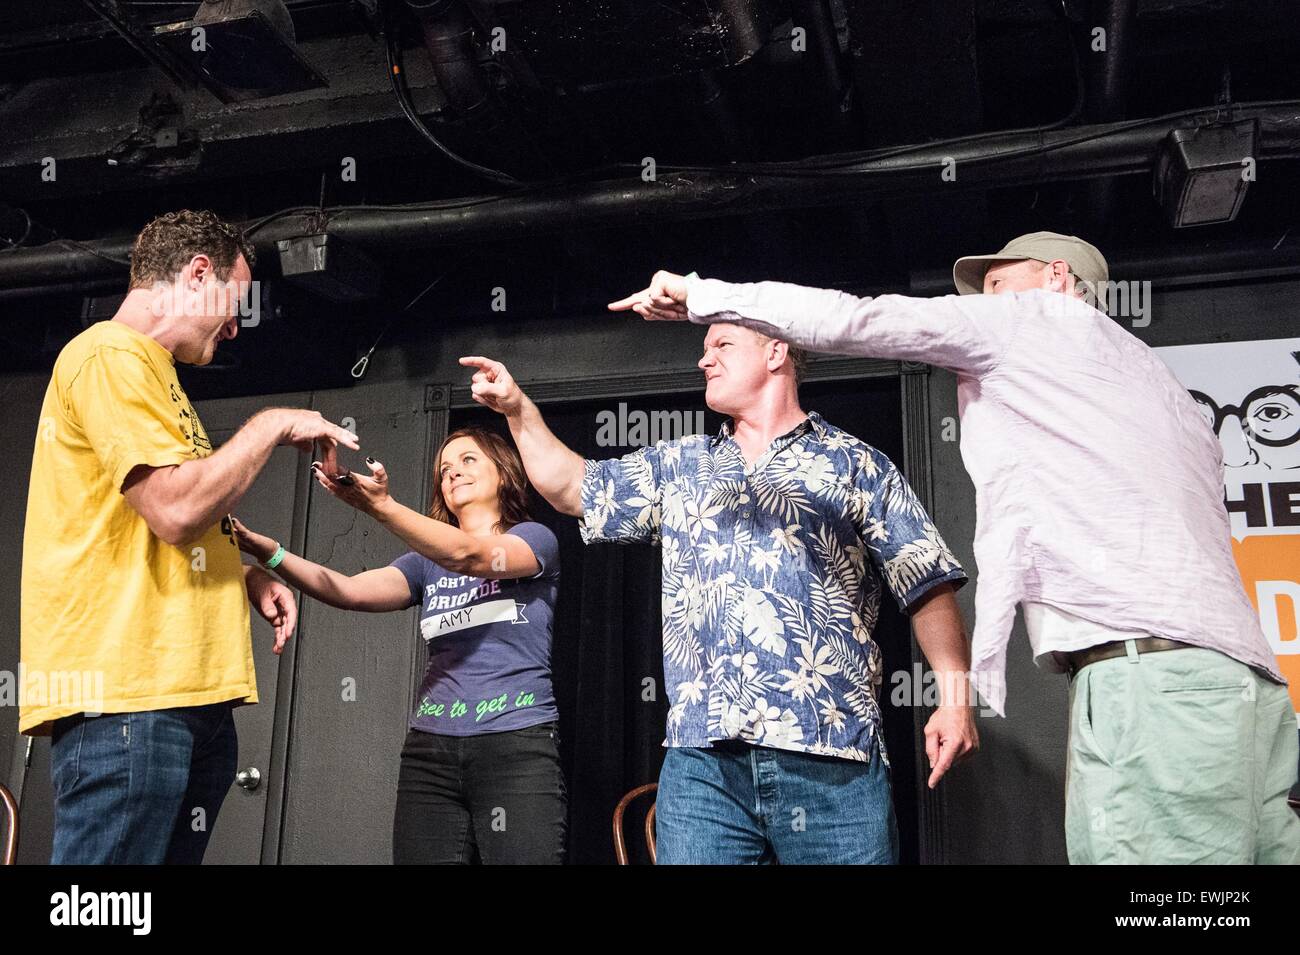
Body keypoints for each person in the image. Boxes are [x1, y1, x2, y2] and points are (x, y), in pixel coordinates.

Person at [610, 231, 1300, 864]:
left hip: (1153, 687)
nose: (983, 305)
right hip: (1251, 691)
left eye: (996, 286)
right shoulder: (1163, 386)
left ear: (1056, 278)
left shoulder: (1036, 324)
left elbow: (859, 320)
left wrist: (704, 296)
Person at [460, 326, 978, 865]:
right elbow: (573, 488)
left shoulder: (855, 463)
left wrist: (956, 698)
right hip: (703, 761)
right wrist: (517, 409)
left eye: (721, 346)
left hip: (831, 752)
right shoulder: (683, 464)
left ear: (776, 351)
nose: (704, 359)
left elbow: (925, 580)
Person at [20, 209, 359, 864]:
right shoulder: (107, 355)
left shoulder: (153, 374)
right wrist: (266, 427)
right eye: (233, 303)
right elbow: (174, 510)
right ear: (198, 272)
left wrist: (247, 575)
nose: (234, 325)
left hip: (186, 700)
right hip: (127, 697)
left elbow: (171, 521)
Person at [231, 426, 567, 864]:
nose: (453, 473)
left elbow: (468, 555)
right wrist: (270, 553)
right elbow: (347, 590)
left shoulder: (534, 539)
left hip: (516, 744)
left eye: (469, 461)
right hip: (431, 754)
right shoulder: (424, 565)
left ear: (504, 474)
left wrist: (382, 507)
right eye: (445, 468)